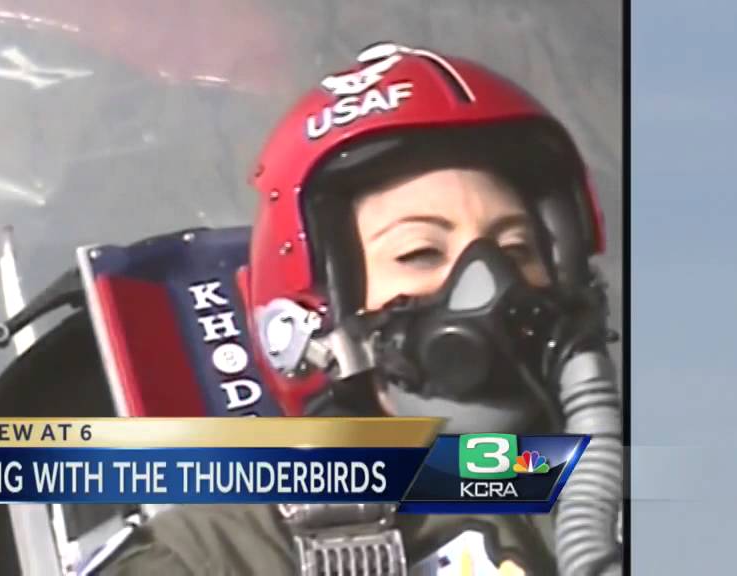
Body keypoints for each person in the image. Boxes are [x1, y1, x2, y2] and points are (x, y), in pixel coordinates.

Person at [87, 42, 622, 576]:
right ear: (316, 314)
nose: (492, 287)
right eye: (419, 252)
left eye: (515, 252)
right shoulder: (218, 558)